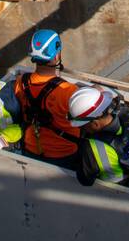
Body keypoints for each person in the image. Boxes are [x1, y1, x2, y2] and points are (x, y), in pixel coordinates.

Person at [13, 29, 81, 167]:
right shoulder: (68, 91)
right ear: (56, 56)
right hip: (65, 154)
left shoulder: (20, 82)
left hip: (30, 148)